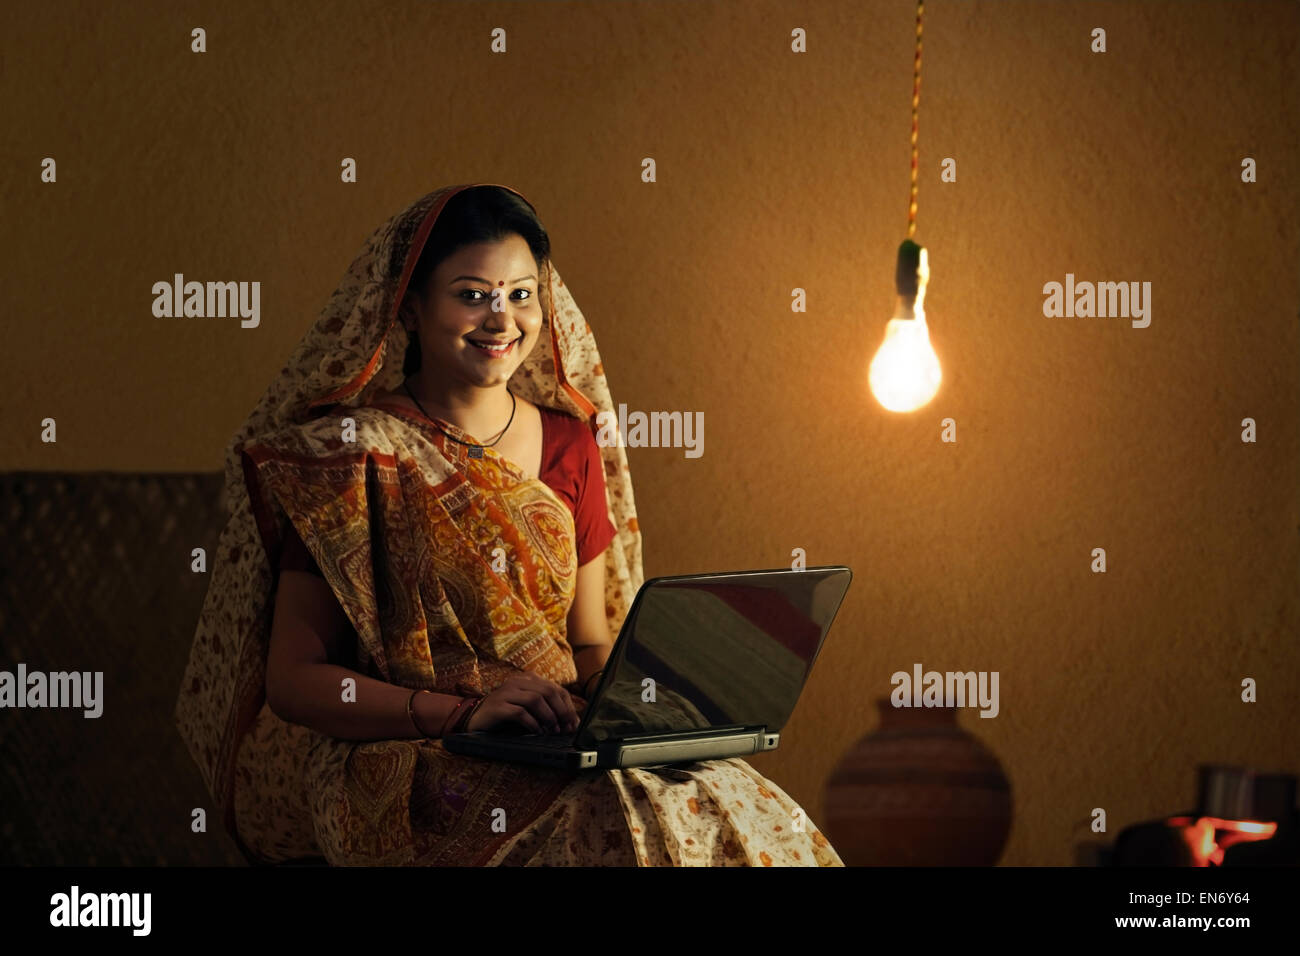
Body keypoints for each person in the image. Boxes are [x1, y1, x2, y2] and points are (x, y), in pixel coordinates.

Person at [174, 183, 842, 866]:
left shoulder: (571, 442)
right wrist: (463, 714)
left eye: (522, 294)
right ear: (408, 307)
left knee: (723, 799)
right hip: (408, 753)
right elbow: (295, 679)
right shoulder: (347, 458)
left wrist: (637, 715)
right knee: (598, 820)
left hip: (551, 736)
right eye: (472, 295)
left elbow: (586, 642)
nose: (502, 320)